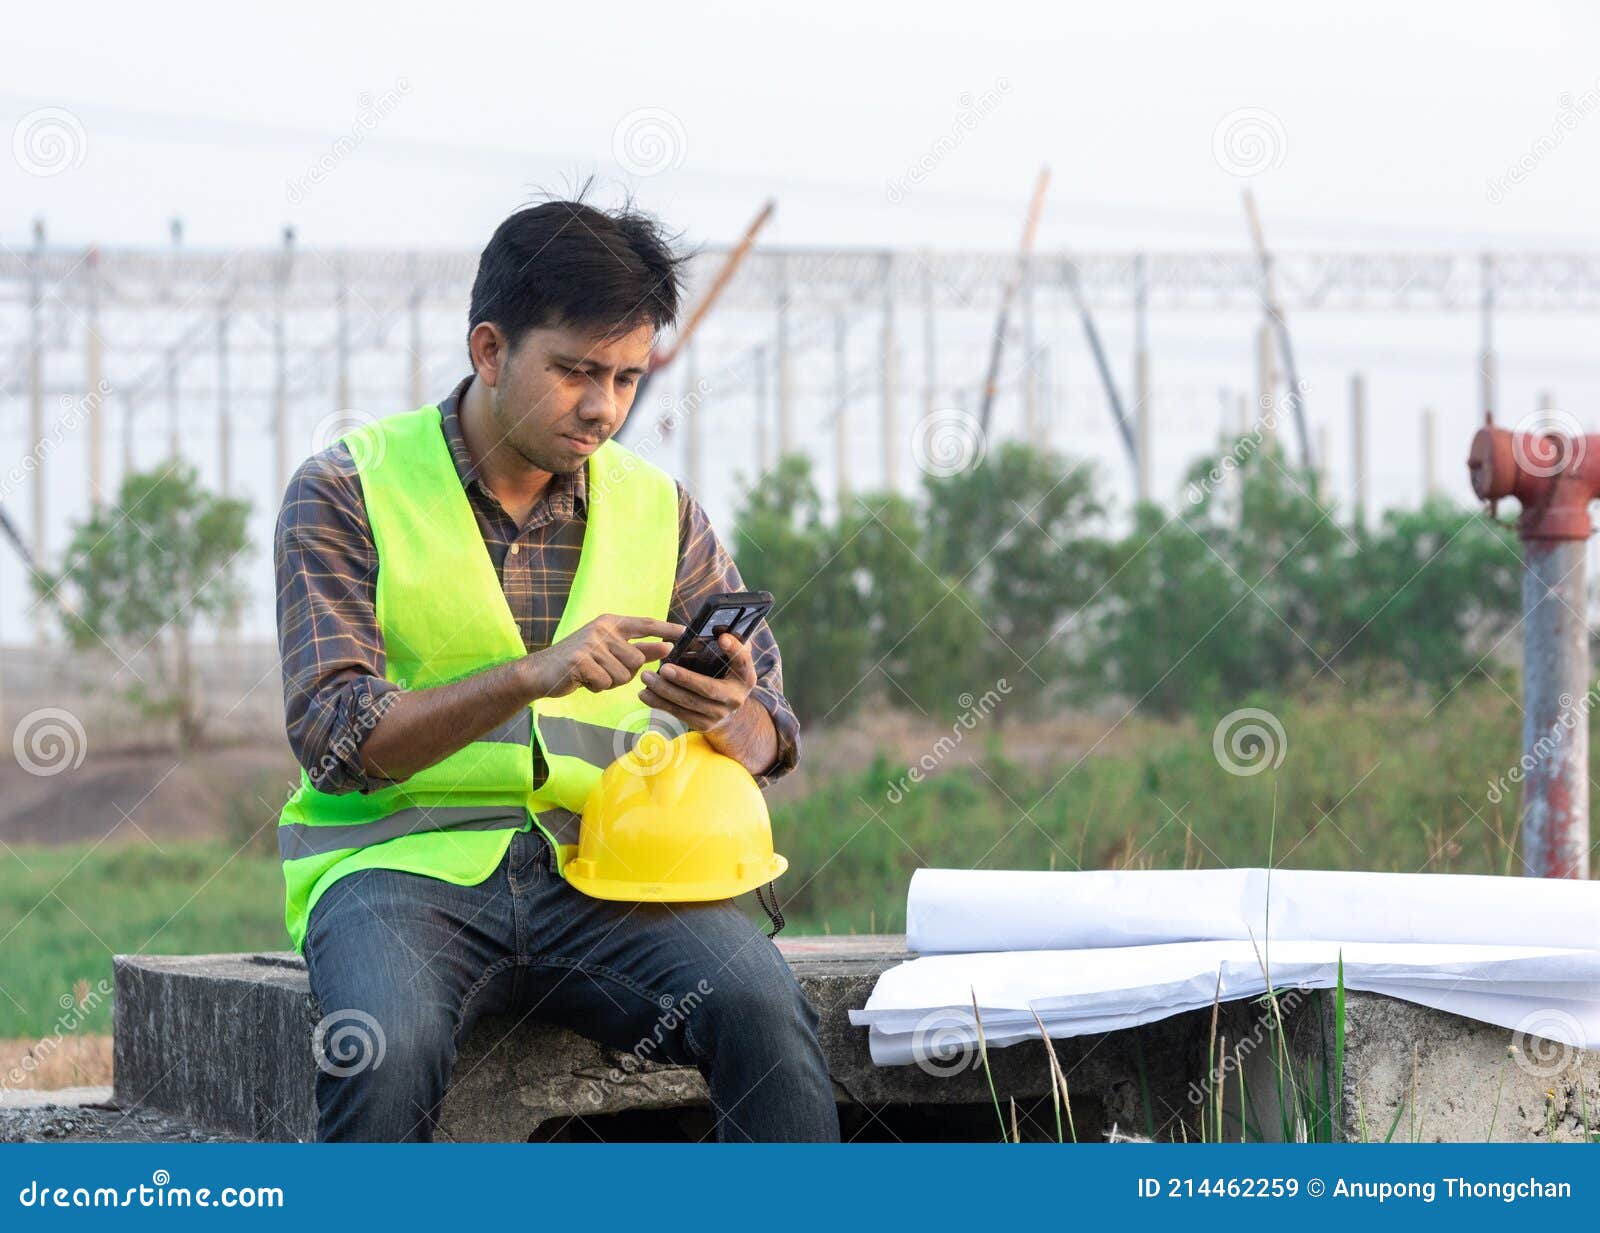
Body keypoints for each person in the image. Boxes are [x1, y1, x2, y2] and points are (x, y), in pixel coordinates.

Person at [272, 192, 839, 1142]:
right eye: (575, 371)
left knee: (766, 1015)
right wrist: (529, 674)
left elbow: (772, 735)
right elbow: (337, 739)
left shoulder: (661, 509)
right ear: (489, 350)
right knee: (385, 1047)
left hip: (609, 874)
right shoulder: (345, 490)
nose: (602, 407)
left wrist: (727, 710)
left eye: (625, 377)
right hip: (396, 868)